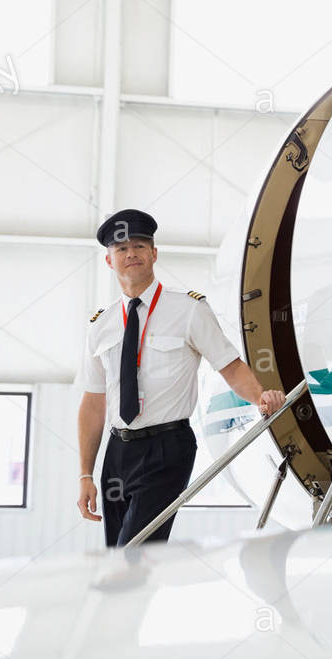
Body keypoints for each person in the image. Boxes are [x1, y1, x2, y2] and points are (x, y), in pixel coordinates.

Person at [76, 208, 285, 546]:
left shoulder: (189, 310)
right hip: (117, 451)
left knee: (135, 550)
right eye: (122, 248)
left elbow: (229, 366)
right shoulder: (101, 325)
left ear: (154, 254)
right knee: (117, 554)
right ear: (109, 260)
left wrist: (260, 398)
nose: (132, 254)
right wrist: (86, 473)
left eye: (140, 246)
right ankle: (130, 600)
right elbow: (93, 401)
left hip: (166, 448)